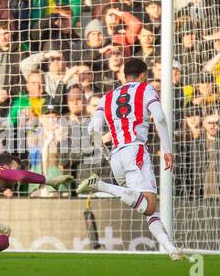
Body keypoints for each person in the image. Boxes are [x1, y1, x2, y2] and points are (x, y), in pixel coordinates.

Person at [77, 58, 182, 259]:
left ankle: (171, 249)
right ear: (143, 75)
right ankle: (101, 185)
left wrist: (106, 153)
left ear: (125, 76)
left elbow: (93, 129)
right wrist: (167, 149)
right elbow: (159, 117)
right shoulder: (145, 89)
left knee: (148, 208)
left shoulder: (108, 96)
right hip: (136, 152)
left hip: (116, 156)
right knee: (150, 204)